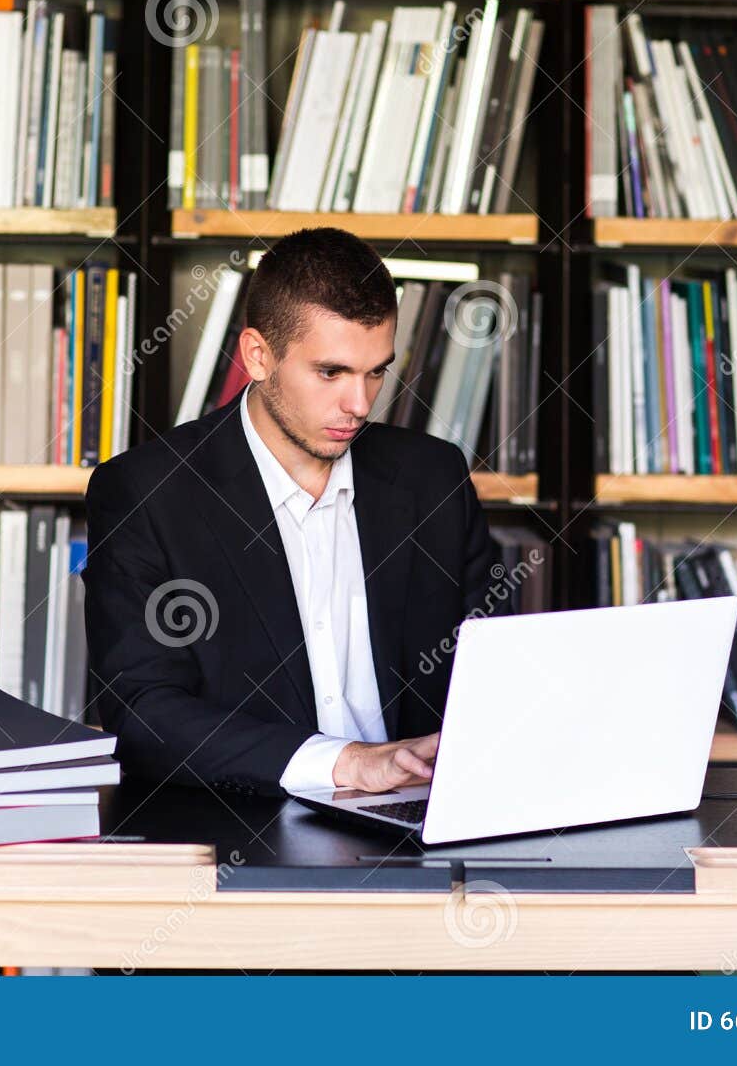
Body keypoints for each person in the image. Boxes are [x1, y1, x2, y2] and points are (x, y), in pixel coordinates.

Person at [83, 227, 493, 795]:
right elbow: (145, 714)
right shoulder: (147, 493)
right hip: (241, 835)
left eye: (376, 371)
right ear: (258, 356)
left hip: (423, 824)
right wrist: (344, 763)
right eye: (331, 372)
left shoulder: (435, 478)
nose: (360, 403)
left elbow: (493, 672)